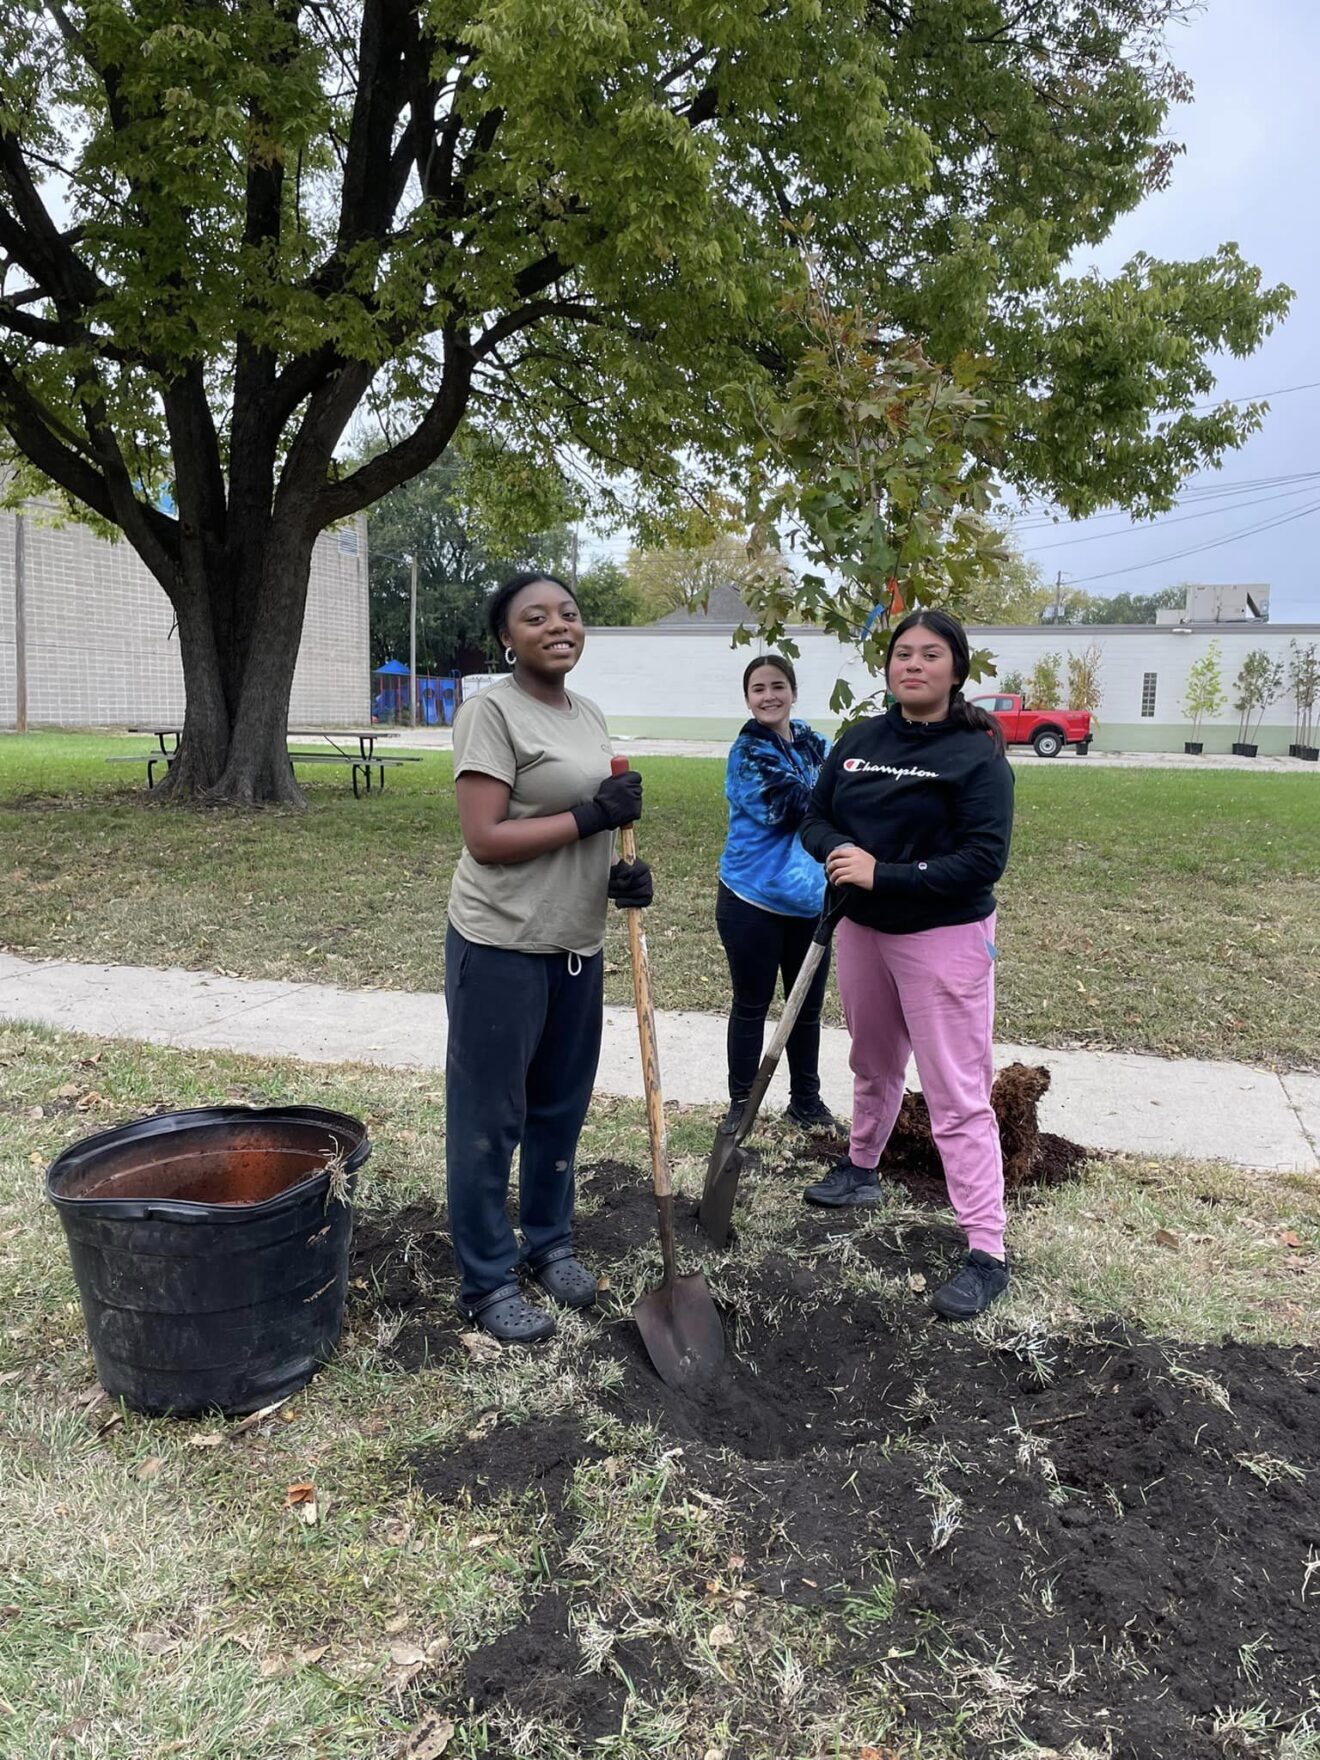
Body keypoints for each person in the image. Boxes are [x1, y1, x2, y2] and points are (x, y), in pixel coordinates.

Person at [444, 572, 652, 1342]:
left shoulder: (587, 714)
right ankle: (487, 1279)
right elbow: (487, 839)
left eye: (568, 612)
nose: (557, 625)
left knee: (559, 1112)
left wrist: (620, 872)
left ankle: (549, 1241)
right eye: (535, 617)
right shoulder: (490, 711)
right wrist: (590, 811)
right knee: (488, 1120)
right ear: (508, 636)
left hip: (576, 945)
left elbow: (589, 829)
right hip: (500, 946)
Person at [799, 610, 1015, 1320]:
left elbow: (983, 860)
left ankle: (986, 1249)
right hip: (864, 931)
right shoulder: (861, 739)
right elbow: (816, 815)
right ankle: (863, 1168)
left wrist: (881, 873)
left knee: (956, 1091)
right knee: (873, 1061)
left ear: (956, 668)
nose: (912, 664)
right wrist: (840, 856)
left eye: (929, 654)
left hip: (943, 936)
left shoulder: (976, 752)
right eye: (901, 654)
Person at [716, 655, 838, 1134]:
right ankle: (741, 1104)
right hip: (752, 900)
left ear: (793, 691)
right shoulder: (748, 754)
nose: (769, 696)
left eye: (778, 686)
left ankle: (806, 1100)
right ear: (748, 698)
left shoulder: (808, 739)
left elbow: (841, 778)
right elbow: (799, 806)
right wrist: (846, 799)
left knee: (805, 1007)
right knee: (752, 1004)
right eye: (758, 688)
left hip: (811, 902)